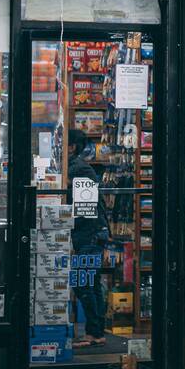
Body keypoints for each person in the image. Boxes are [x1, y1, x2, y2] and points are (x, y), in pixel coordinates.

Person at [67, 128, 109, 349]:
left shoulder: (80, 170)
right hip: (88, 234)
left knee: (84, 283)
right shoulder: (76, 168)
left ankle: (94, 332)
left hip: (89, 235)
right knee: (89, 283)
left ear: (72, 146)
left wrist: (67, 224)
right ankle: (96, 332)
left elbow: (87, 207)